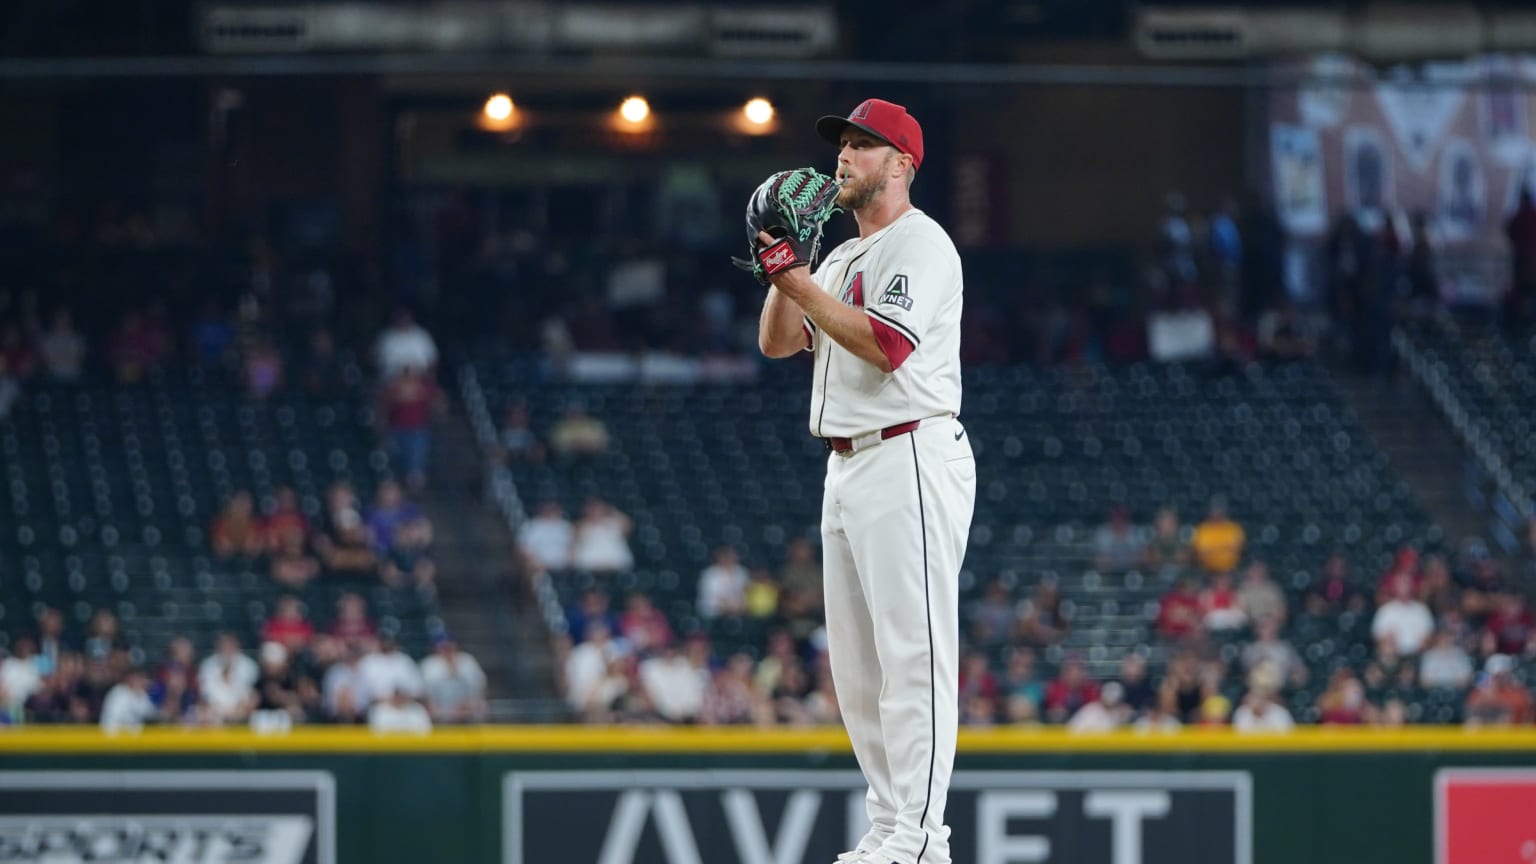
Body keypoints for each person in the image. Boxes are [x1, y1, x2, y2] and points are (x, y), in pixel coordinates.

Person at [753, 97, 975, 864]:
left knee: (912, 658)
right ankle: (889, 827)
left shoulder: (922, 243)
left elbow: (887, 346)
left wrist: (798, 280)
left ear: (902, 164)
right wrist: (789, 264)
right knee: (857, 671)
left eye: (863, 144)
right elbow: (777, 342)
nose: (844, 155)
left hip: (908, 451)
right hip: (847, 464)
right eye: (842, 143)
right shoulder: (840, 259)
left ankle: (922, 838)